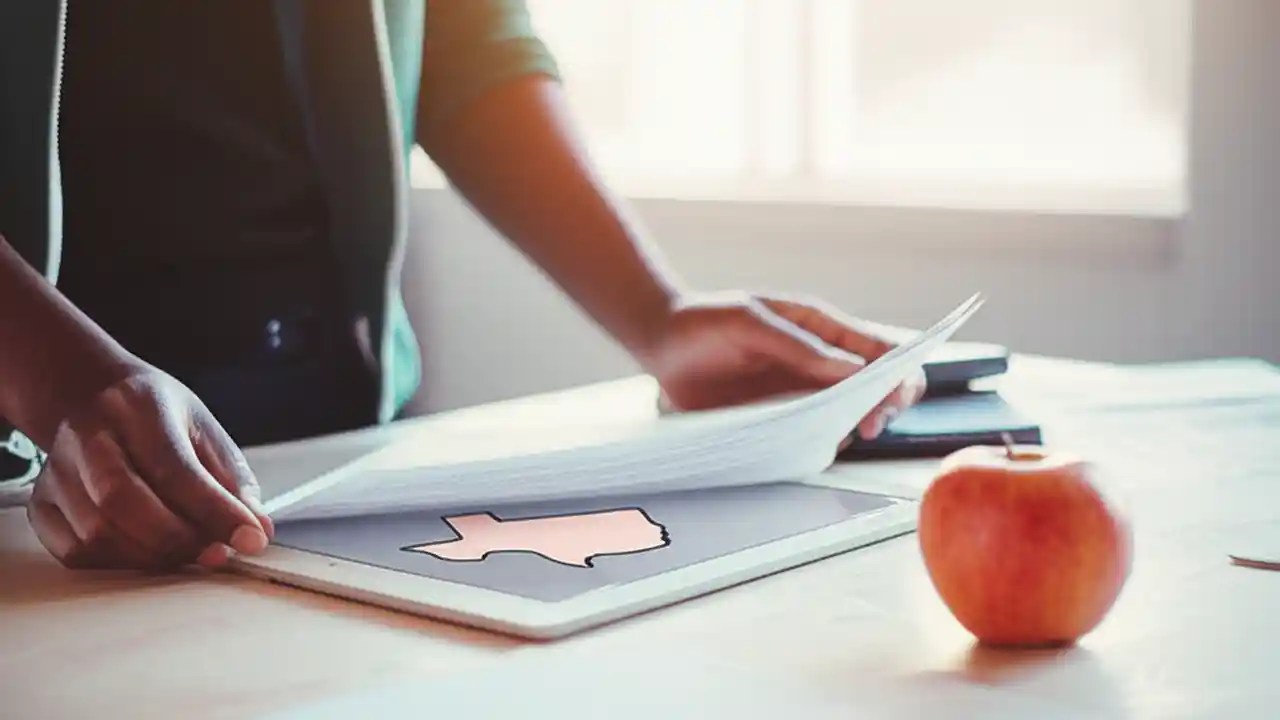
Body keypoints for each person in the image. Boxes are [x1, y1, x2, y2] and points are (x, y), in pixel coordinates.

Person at [0, 1, 924, 572]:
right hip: (29, 477)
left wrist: (656, 312)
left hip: (337, 444)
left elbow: (461, 36)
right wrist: (52, 377)